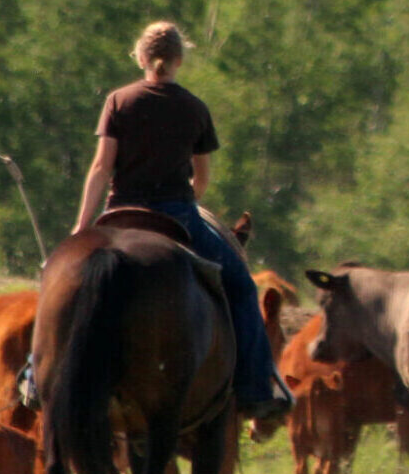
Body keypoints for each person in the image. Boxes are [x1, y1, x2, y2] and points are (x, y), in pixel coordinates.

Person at [70, 21, 291, 419]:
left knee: (63, 277)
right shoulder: (194, 108)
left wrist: (82, 227)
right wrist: (187, 200)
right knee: (240, 286)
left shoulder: (119, 101)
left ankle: (36, 376)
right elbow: (201, 178)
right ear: (179, 60)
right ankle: (257, 388)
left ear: (140, 57)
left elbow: (102, 169)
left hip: (120, 214)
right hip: (178, 214)